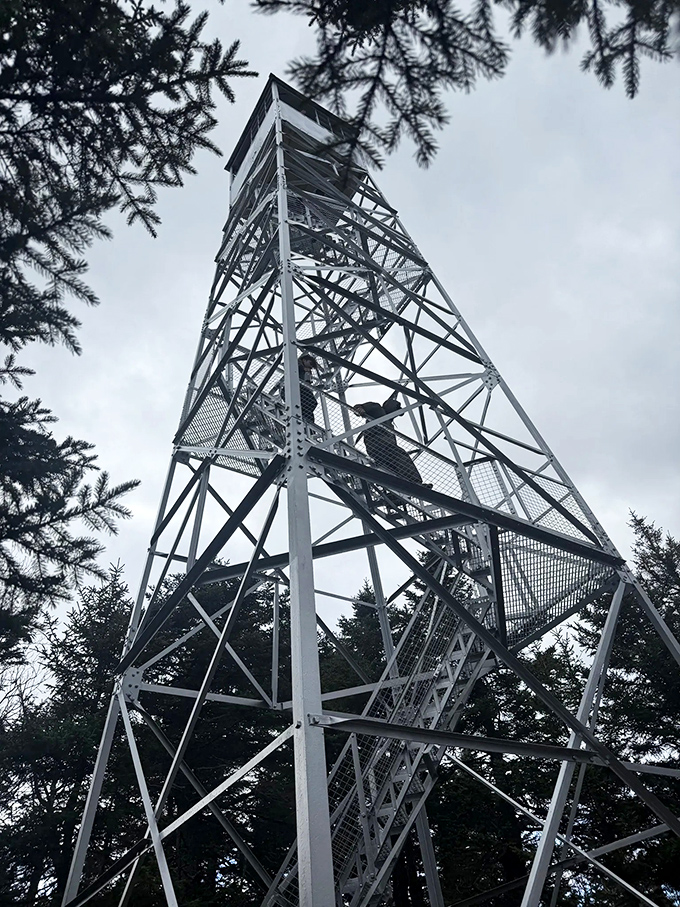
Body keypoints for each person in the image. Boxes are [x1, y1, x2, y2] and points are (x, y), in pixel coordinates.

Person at [354, 399, 423, 484]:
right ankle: (415, 482)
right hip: (379, 444)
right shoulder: (378, 410)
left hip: (378, 448)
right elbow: (360, 407)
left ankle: (397, 490)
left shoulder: (389, 423)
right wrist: (360, 409)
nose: (396, 414)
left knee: (392, 469)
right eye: (396, 410)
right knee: (400, 455)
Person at [298, 354, 319, 422]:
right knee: (312, 403)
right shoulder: (297, 366)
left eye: (312, 366)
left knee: (310, 405)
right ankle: (308, 423)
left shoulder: (306, 371)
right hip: (298, 388)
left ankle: (309, 424)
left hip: (301, 389)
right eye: (310, 363)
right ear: (304, 360)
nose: (310, 367)